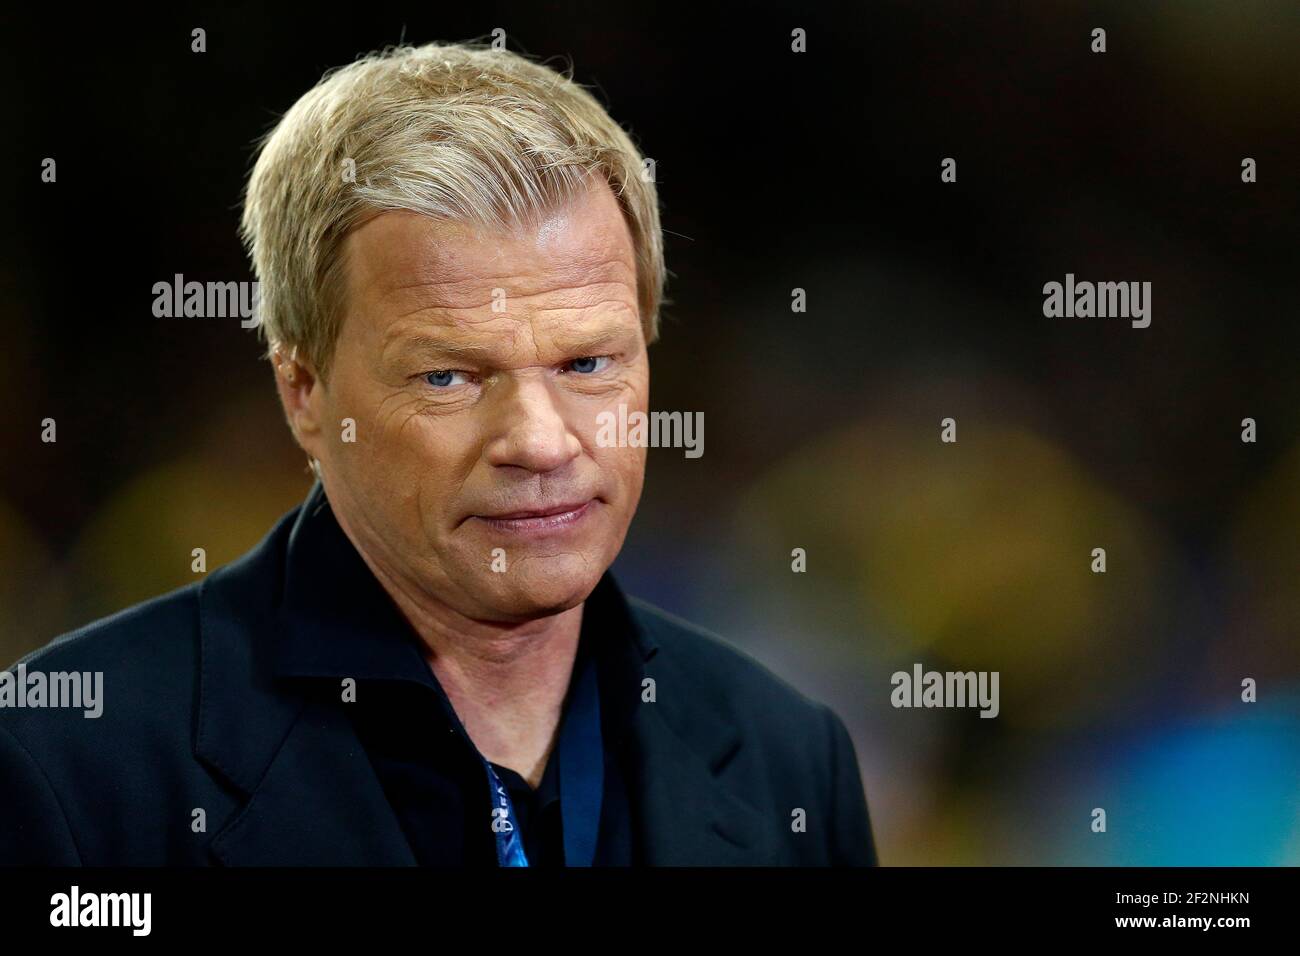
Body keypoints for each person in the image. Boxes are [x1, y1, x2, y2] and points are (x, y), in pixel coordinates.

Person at [0, 41, 877, 866]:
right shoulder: (67, 766)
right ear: (303, 391)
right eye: (449, 377)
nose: (540, 440)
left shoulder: (791, 759)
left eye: (587, 363)